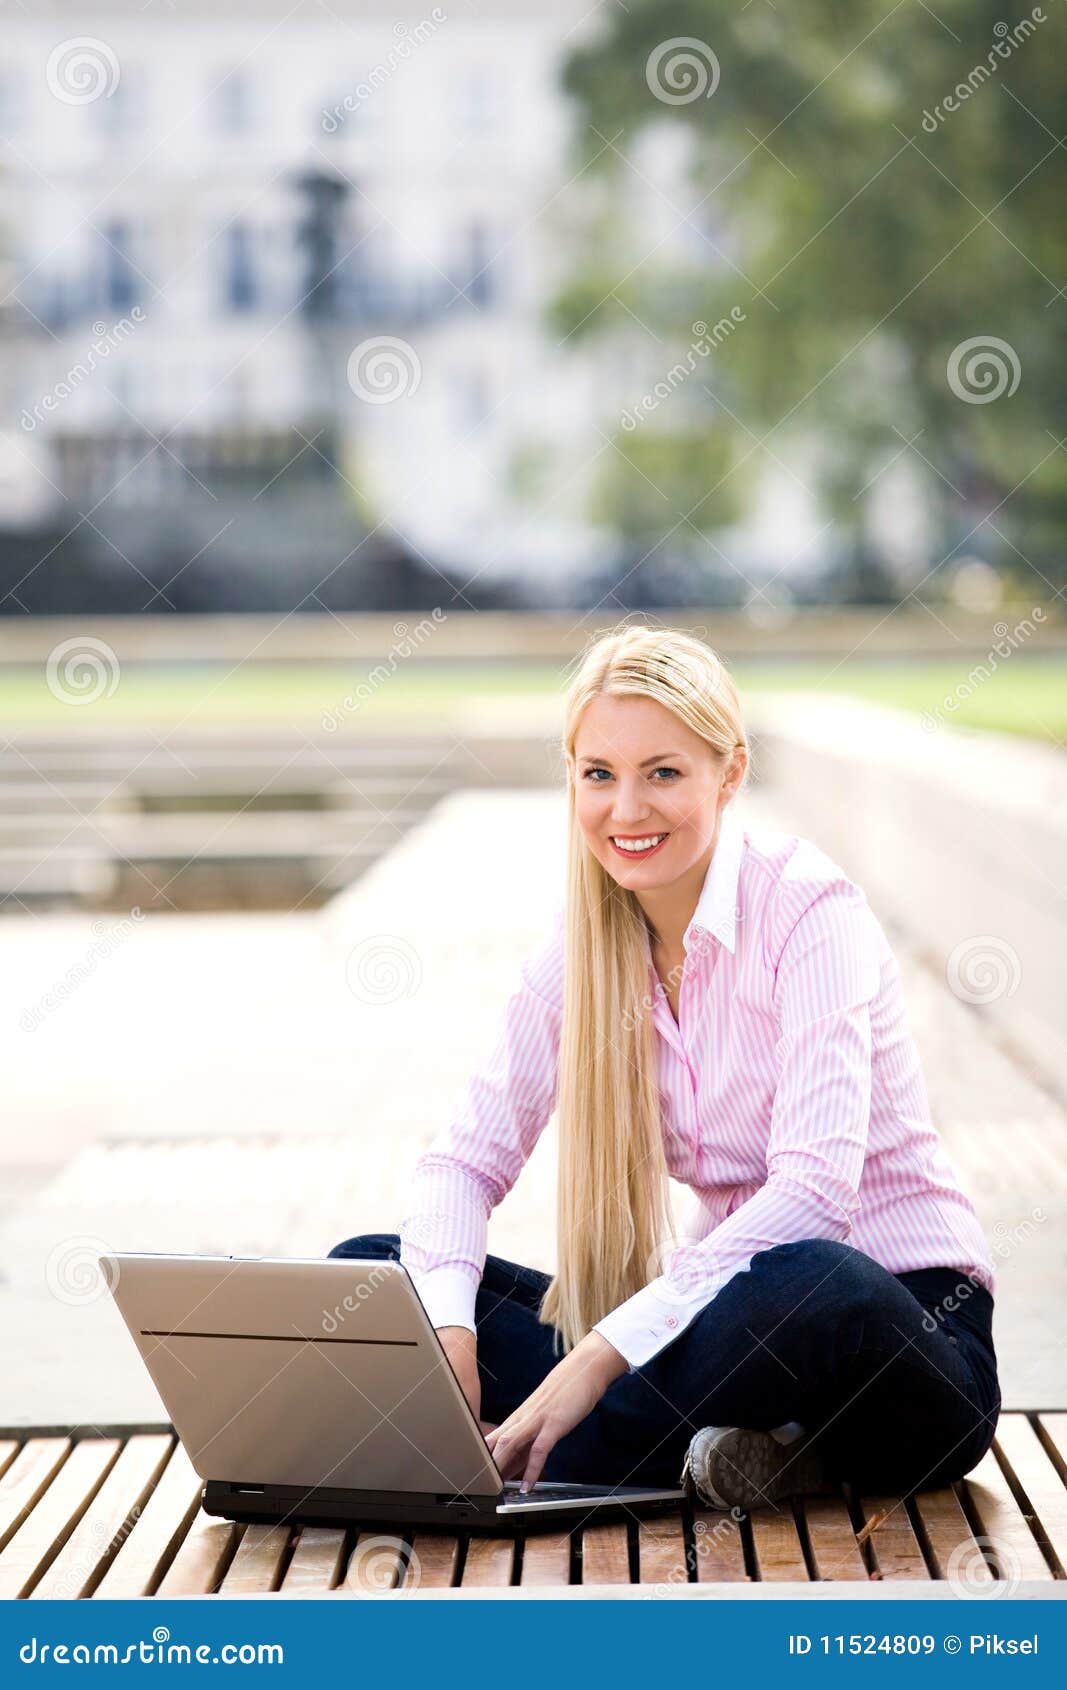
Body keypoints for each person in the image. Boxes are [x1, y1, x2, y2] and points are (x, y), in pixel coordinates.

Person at [329, 624, 1000, 1511]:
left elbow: (813, 1194)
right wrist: (451, 1332)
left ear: (729, 774)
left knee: (812, 1278)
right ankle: (738, 1457)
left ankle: (532, 1458)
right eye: (598, 774)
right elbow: (460, 1166)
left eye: (664, 772)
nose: (626, 809)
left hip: (901, 1341)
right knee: (378, 1275)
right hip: (717, 1334)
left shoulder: (808, 911)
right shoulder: (582, 956)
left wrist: (600, 1357)